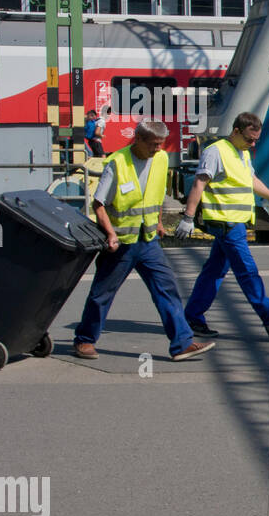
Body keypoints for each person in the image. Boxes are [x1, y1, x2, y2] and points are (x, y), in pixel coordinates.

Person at [72, 120, 215, 361]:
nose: (157, 149)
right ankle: (84, 339)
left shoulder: (160, 159)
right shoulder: (117, 163)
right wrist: (111, 234)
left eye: (160, 144)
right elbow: (98, 205)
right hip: (121, 243)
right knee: (102, 293)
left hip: (148, 240)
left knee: (166, 288)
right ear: (137, 139)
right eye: (153, 144)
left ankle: (182, 343)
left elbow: (155, 195)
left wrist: (158, 222)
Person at [177, 112, 269, 338]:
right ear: (236, 131)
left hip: (235, 222)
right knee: (247, 272)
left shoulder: (242, 152)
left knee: (214, 271)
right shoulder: (215, 152)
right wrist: (188, 217)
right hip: (226, 222)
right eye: (249, 139)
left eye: (256, 140)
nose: (253, 144)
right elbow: (199, 184)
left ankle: (193, 317)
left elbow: (251, 180)